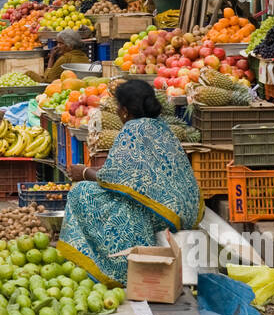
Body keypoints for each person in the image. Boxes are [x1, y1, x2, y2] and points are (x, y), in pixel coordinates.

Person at [58, 78, 202, 285]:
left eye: (118, 107)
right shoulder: (161, 127)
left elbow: (112, 178)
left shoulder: (133, 129)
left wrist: (84, 172)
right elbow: (131, 174)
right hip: (182, 210)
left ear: (125, 110)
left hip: (158, 214)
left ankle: (113, 268)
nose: (116, 111)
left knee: (82, 193)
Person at [25, 28, 91, 84]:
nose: (57, 46)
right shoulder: (84, 56)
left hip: (62, 86)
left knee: (29, 73)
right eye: (57, 43)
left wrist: (51, 59)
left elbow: (47, 80)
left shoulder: (65, 58)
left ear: (70, 46)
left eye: (60, 43)